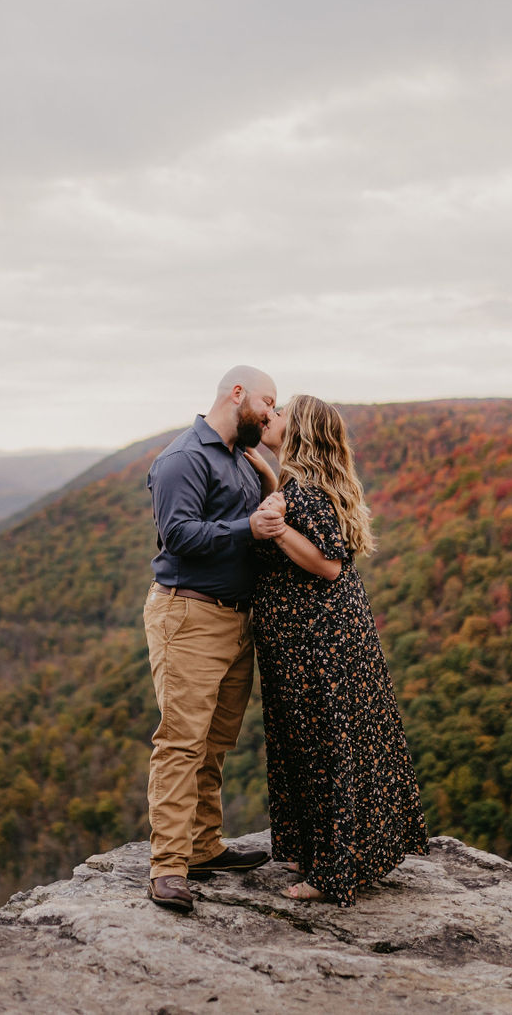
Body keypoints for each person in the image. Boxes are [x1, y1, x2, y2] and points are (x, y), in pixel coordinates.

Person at [244, 394, 427, 904]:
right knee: (325, 741)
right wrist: (262, 469)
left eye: (280, 415)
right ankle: (324, 851)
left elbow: (328, 565)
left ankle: (330, 872)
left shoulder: (304, 493)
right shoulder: (306, 484)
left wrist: (277, 530)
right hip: (323, 635)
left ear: (298, 430)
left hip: (315, 640)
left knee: (322, 745)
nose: (271, 417)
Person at [142, 365, 287, 912]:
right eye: (268, 403)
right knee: (181, 741)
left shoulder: (239, 457)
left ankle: (203, 845)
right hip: (190, 616)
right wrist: (247, 529)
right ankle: (169, 866)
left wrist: (270, 482)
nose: (272, 415)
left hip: (236, 619)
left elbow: (252, 512)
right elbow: (177, 535)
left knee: (216, 740)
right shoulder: (185, 458)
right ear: (237, 393)